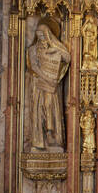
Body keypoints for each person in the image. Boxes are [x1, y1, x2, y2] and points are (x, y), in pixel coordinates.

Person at [25, 18, 72, 151]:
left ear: (48, 35)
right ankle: (39, 140)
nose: (40, 37)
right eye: (38, 34)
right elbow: (34, 67)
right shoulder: (33, 49)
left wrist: (55, 49)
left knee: (50, 106)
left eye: (43, 34)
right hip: (39, 84)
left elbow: (67, 58)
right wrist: (46, 78)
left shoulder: (53, 48)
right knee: (39, 109)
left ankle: (53, 136)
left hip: (52, 86)